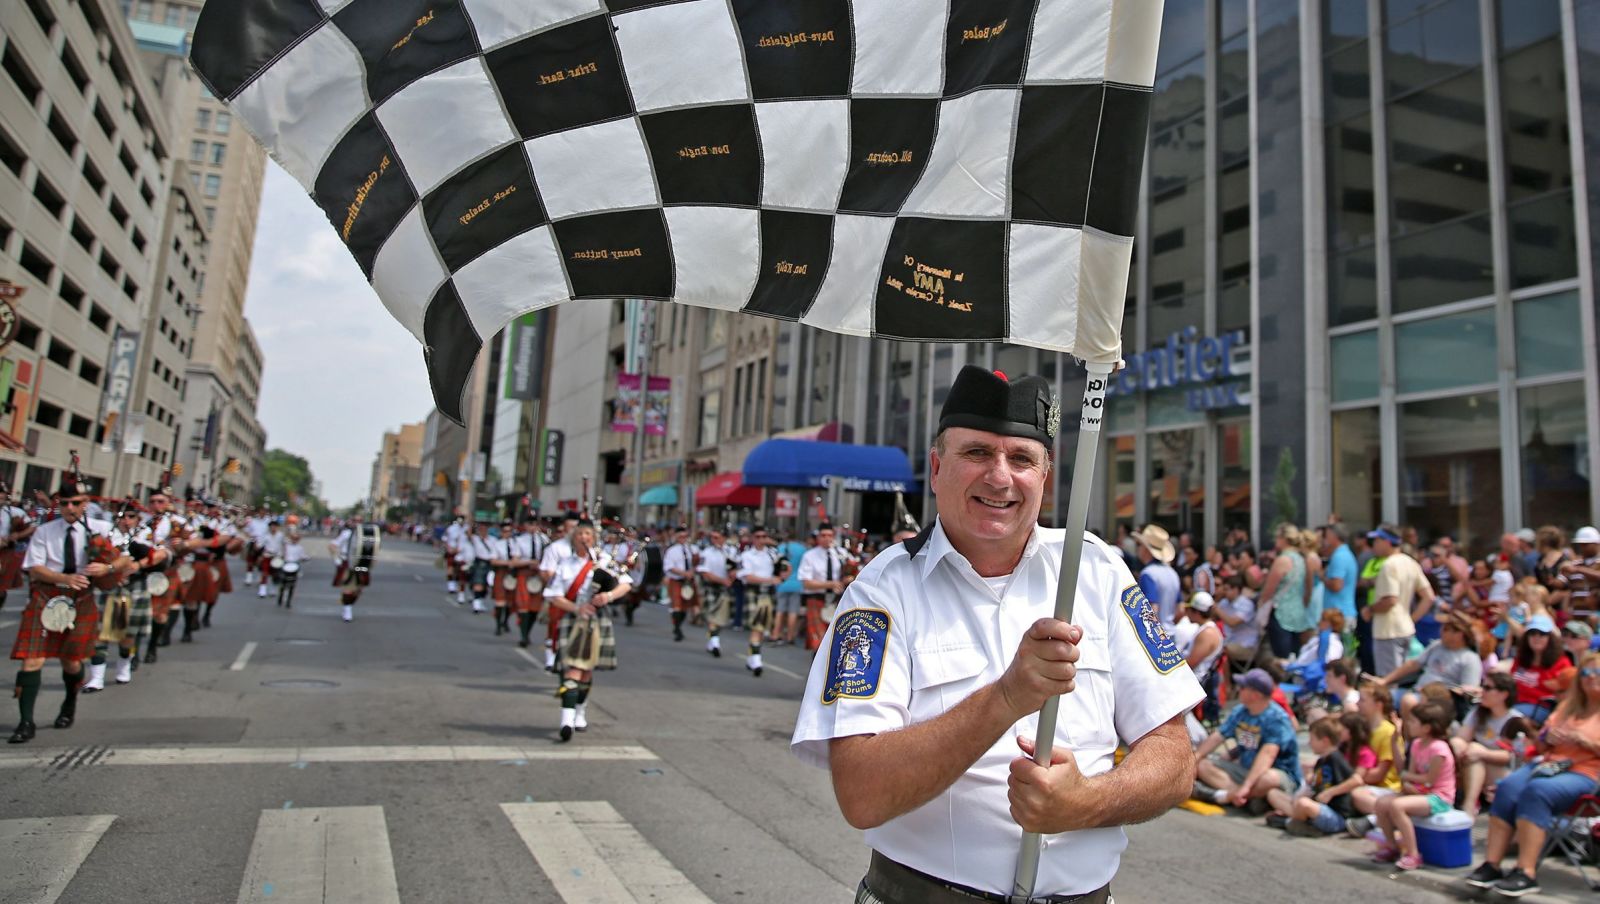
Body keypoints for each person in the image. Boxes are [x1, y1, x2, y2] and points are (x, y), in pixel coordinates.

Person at [792, 366, 1200, 903]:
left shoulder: (1096, 571)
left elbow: (1174, 757)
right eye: (978, 453)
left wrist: (1087, 802)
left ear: (1045, 477)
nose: (1000, 477)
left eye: (1022, 458)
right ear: (937, 468)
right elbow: (861, 794)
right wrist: (1007, 698)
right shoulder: (883, 590)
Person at [1465, 651, 1600, 897]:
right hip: (1550, 764)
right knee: (1508, 787)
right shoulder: (1567, 707)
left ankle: (1526, 872)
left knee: (1537, 792)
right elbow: (1538, 745)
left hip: (1587, 773)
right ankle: (1492, 865)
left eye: (1597, 673)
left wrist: (1587, 743)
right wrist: (1546, 737)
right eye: (1586, 673)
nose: (1591, 678)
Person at [8, 468, 114, 744]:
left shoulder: (101, 530)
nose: (70, 508)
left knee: (71, 661)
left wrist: (108, 566)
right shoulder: (45, 531)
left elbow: (124, 561)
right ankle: (26, 722)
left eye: (75, 503)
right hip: (47, 596)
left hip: (82, 600)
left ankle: (69, 702)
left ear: (85, 503)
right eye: (64, 503)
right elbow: (35, 569)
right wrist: (65, 578)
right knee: (32, 659)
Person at [543, 520, 630, 742]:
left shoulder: (605, 562)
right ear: (574, 538)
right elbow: (553, 595)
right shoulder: (566, 564)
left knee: (586, 671)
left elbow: (626, 584)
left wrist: (608, 596)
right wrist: (576, 608)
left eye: (588, 534)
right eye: (580, 533)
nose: (584, 537)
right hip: (573, 619)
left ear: (594, 538)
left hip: (597, 620)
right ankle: (566, 721)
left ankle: (580, 711)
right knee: (573, 670)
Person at [1369, 701, 1457, 871]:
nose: (1409, 725)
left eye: (1413, 722)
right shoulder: (1417, 744)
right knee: (1381, 803)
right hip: (1421, 792)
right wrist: (1396, 741)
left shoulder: (1439, 749)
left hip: (1439, 797)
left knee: (1397, 806)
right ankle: (1391, 846)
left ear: (1427, 727)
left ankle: (1413, 854)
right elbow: (1408, 773)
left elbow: (1429, 780)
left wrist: (1409, 779)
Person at [1265, 715, 1359, 837]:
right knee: (1273, 793)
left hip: (1335, 815)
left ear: (1325, 741)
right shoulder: (1321, 762)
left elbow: (1357, 780)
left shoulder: (1336, 758)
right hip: (1317, 808)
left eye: (1312, 739)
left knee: (1303, 803)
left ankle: (1293, 821)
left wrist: (1330, 792)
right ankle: (1295, 819)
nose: (1309, 743)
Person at [1376, 614, 1483, 719]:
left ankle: (1407, 735)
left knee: (1408, 701)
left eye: (1446, 629)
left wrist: (1437, 691)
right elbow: (1413, 664)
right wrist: (1385, 680)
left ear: (1459, 634)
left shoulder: (1470, 659)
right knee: (1378, 697)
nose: (1441, 631)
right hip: (1416, 691)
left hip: (1438, 703)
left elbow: (1469, 691)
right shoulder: (1437, 646)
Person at [1366, 525, 1433, 676]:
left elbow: (1390, 600)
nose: (1374, 545)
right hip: (1406, 629)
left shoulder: (1389, 565)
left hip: (1388, 631)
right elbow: (1428, 597)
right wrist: (1411, 619)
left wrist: (1369, 610)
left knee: (1388, 680)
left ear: (1387, 542)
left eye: (1377, 540)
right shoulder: (1410, 562)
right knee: (1400, 678)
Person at [1452, 671, 1518, 817]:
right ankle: (1463, 802)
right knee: (1458, 746)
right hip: (1474, 762)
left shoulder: (1515, 720)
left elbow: (1514, 756)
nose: (1482, 691)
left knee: (1476, 755)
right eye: (1483, 686)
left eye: (1488, 688)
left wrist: (1483, 753)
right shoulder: (1478, 713)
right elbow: (1461, 738)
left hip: (1503, 772)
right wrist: (1459, 747)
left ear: (1503, 694)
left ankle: (1469, 806)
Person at [1505, 614, 1571, 723]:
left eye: (1542, 634)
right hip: (1513, 702)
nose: (1537, 637)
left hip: (1540, 707)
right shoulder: (1521, 658)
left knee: (1509, 717)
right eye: (1532, 633)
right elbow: (1510, 681)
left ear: (1550, 638)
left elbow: (1566, 690)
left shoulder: (1562, 663)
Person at [1258, 523, 1310, 658]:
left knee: (1281, 658)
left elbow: (1269, 590)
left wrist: (1261, 604)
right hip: (1298, 614)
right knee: (1295, 656)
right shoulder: (1301, 559)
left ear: (1283, 539)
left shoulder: (1283, 560)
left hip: (1281, 613)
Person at [735, 527, 780, 676]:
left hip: (769, 593)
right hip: (753, 591)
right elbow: (747, 577)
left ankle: (752, 657)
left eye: (764, 536)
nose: (761, 539)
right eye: (758, 536)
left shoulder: (773, 554)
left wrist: (783, 574)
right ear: (753, 538)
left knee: (762, 627)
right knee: (757, 626)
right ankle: (756, 659)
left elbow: (784, 569)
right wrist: (770, 580)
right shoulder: (746, 555)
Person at [797, 522, 847, 651]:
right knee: (818, 641)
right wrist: (830, 584)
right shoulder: (809, 556)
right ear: (818, 537)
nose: (827, 538)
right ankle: (817, 668)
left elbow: (853, 573)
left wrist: (849, 578)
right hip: (816, 599)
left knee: (836, 640)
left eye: (830, 535)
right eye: (823, 535)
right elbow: (806, 583)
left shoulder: (841, 553)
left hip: (837, 600)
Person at [330, 517, 378, 622]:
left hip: (361, 565)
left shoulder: (367, 535)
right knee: (348, 587)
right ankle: (347, 609)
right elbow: (332, 545)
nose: (357, 523)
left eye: (359, 521)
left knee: (358, 589)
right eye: (355, 521)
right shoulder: (346, 534)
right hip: (348, 563)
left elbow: (373, 549)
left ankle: (347, 605)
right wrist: (336, 559)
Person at [1132, 523, 1180, 626]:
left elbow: (1152, 609)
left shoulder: (1148, 574)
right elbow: (1180, 609)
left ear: (1146, 549)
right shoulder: (1173, 573)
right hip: (1171, 632)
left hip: (1156, 636)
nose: (1137, 548)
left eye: (1139, 544)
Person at [697, 529, 735, 658]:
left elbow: (737, 568)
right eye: (712, 537)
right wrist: (722, 580)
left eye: (717, 537)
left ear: (724, 538)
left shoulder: (732, 552)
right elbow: (704, 572)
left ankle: (713, 639)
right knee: (713, 615)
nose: (714, 540)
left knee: (721, 617)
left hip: (726, 587)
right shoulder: (706, 553)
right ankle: (715, 642)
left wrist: (732, 577)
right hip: (711, 586)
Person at [0, 484, 37, 612]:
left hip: (4, 553)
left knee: (1, 589)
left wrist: (17, 535)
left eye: (2, 493)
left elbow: (32, 527)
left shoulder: (14, 512)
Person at [661, 526, 697, 643]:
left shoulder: (692, 549)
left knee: (685, 607)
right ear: (676, 537)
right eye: (680, 536)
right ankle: (677, 629)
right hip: (676, 580)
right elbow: (669, 567)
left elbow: (698, 563)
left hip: (689, 582)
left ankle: (679, 625)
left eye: (685, 536)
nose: (683, 538)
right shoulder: (672, 551)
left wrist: (692, 571)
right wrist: (683, 573)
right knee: (677, 605)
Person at [773, 531, 807, 645]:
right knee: (793, 611)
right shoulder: (802, 549)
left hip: (782, 582)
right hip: (796, 582)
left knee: (780, 610)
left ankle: (776, 634)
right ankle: (790, 636)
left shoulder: (781, 547)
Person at [1319, 523, 1358, 624]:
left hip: (1338, 616)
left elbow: (1336, 585)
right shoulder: (1343, 554)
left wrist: (1322, 576)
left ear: (1334, 536)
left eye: (1326, 536)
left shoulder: (1339, 556)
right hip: (1341, 614)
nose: (1324, 540)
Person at [277, 530, 308, 607]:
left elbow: (303, 556)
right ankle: (280, 597)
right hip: (286, 564)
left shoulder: (300, 548)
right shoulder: (286, 546)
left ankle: (288, 601)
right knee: (283, 583)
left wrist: (306, 558)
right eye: (293, 538)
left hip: (295, 565)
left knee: (292, 584)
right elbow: (281, 554)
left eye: (296, 539)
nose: (294, 540)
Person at [257, 520, 285, 598]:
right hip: (267, 555)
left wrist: (283, 555)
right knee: (265, 573)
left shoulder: (280, 535)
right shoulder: (265, 535)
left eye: (275, 526)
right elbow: (260, 545)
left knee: (275, 574)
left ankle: (273, 589)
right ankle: (262, 590)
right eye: (271, 526)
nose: (273, 528)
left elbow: (284, 544)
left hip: (277, 557)